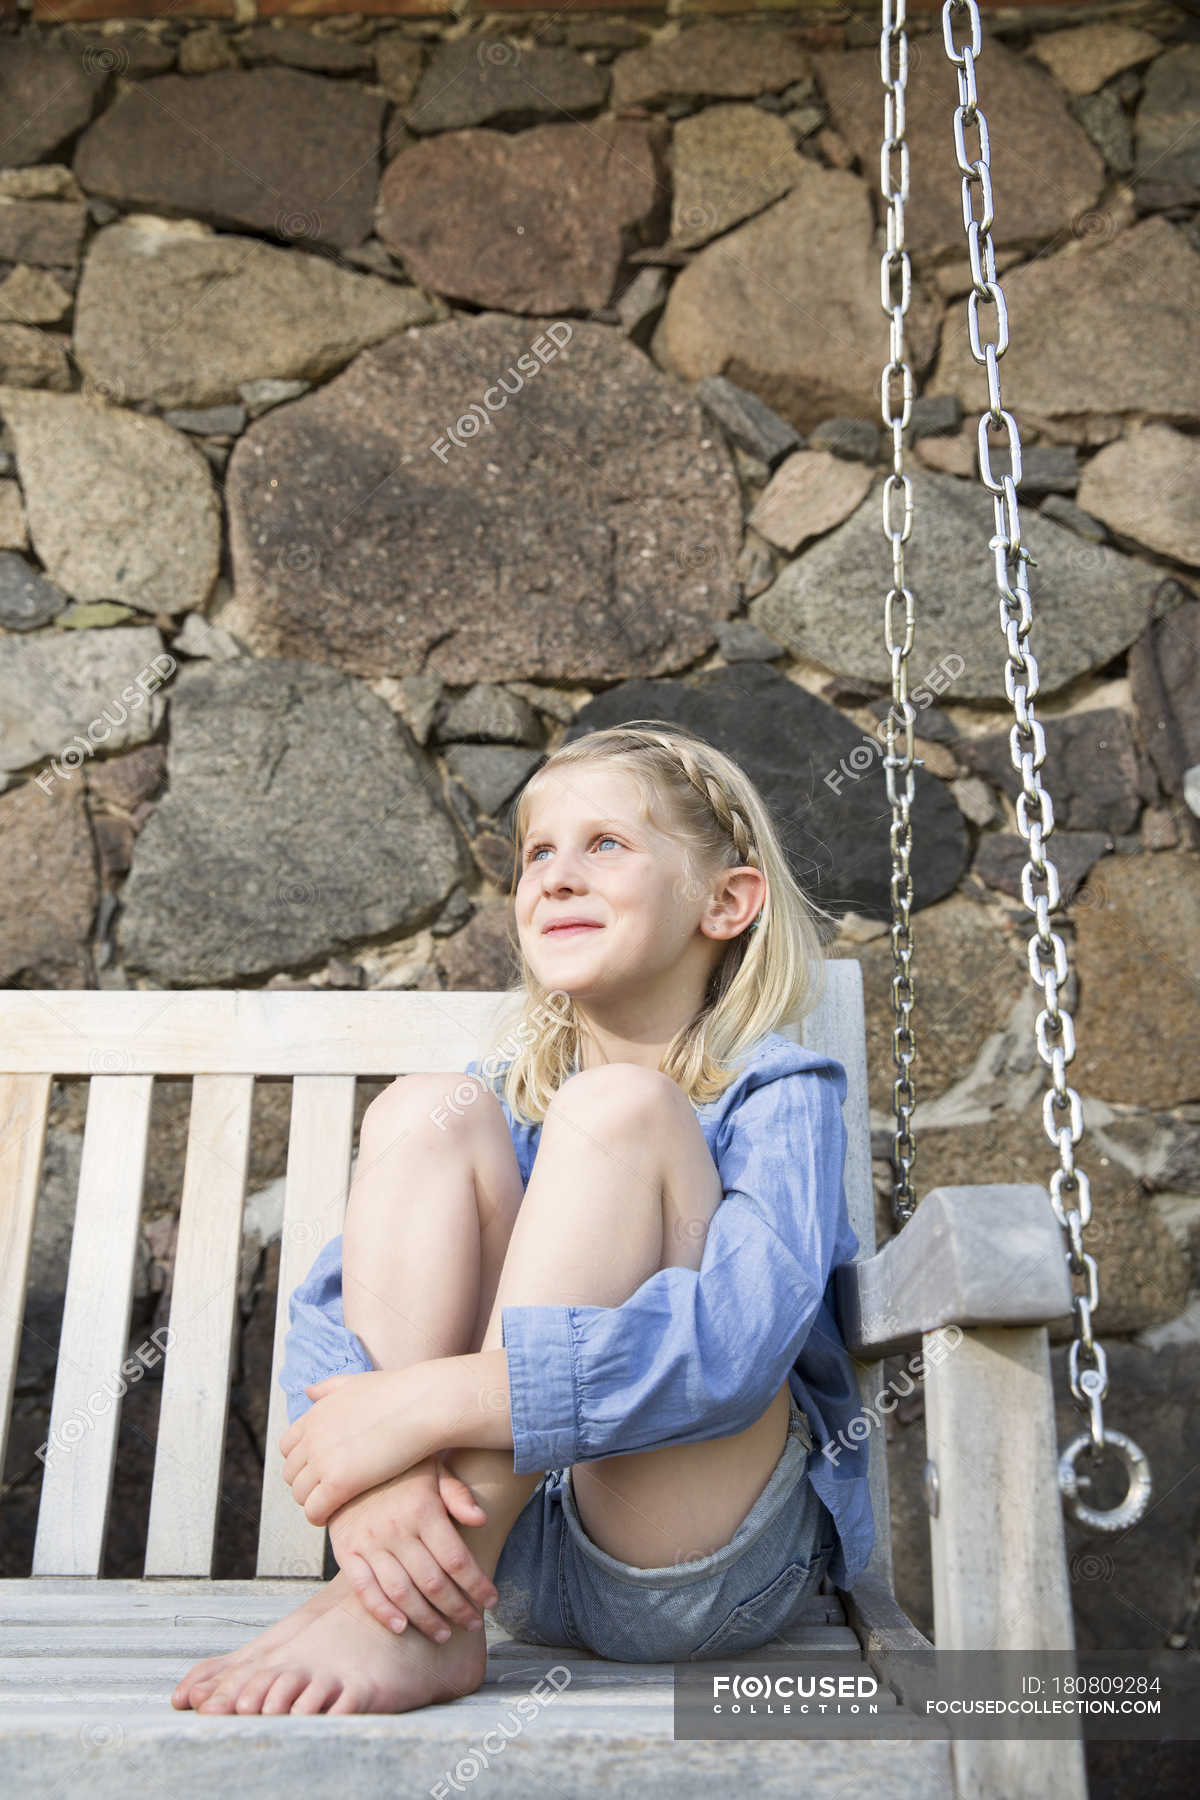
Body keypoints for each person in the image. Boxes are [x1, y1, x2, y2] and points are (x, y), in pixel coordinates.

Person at [170, 719, 873, 1717]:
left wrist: (433, 1404)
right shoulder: (492, 1104)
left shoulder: (776, 1091)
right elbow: (332, 1316)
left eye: (607, 845)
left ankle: (398, 1620)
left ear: (727, 901)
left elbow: (738, 1345)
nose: (557, 876)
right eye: (538, 852)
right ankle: (410, 1602)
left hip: (685, 1559)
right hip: (504, 1577)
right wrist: (380, 1486)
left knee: (622, 1108)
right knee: (420, 1109)